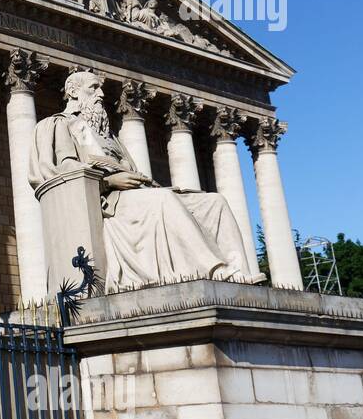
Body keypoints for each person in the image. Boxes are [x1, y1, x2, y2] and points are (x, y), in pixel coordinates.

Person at [29, 71, 260, 290]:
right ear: (73, 91)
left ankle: (236, 272)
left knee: (214, 203)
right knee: (163, 201)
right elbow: (64, 170)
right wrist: (109, 182)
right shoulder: (60, 125)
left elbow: (132, 171)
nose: (101, 94)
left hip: (134, 194)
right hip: (106, 201)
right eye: (94, 88)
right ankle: (213, 268)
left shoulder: (110, 136)